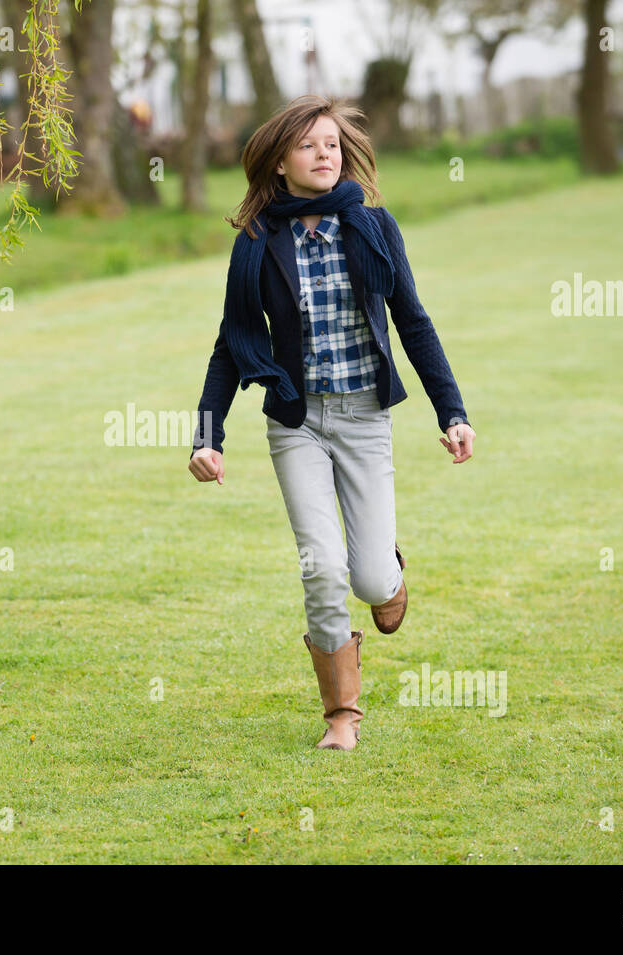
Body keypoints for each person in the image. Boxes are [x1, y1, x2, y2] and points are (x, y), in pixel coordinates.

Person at [188, 94, 476, 752]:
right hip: (297, 424)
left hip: (365, 419)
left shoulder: (373, 227)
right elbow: (231, 343)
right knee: (321, 566)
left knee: (369, 577)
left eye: (332, 143)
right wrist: (208, 437)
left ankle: (388, 573)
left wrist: (451, 411)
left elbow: (414, 322)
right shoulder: (257, 242)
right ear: (279, 163)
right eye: (309, 144)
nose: (326, 153)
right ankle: (341, 716)